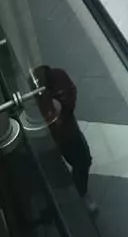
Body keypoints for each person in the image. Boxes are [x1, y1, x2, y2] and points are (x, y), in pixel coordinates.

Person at [33, 65, 97, 214]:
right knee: (51, 171)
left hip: (68, 133)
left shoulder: (58, 77)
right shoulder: (34, 91)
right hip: (47, 138)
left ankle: (81, 193)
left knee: (83, 160)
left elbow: (71, 93)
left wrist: (63, 114)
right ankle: (56, 203)